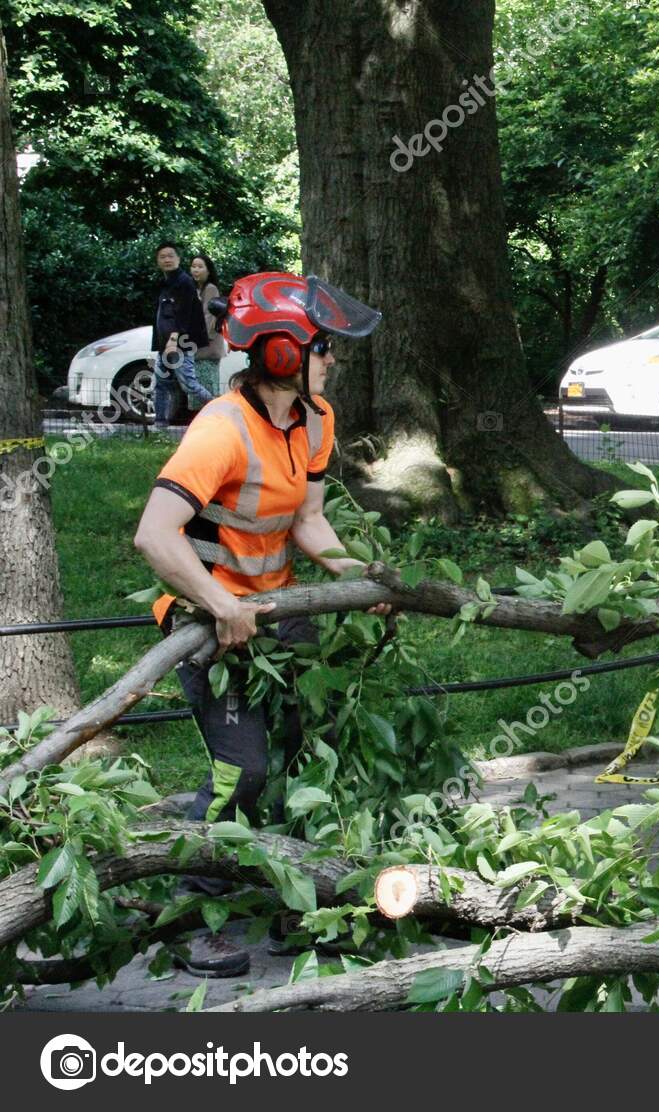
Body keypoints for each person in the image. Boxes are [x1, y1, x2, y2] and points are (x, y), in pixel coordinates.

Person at [133, 271, 385, 977]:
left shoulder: (315, 419)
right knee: (239, 771)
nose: (333, 358)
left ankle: (304, 901)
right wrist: (220, 604)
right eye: (323, 347)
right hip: (211, 624)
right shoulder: (222, 428)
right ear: (280, 354)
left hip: (280, 612)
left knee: (313, 754)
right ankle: (187, 913)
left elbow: (308, 519)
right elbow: (156, 535)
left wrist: (363, 577)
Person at [151, 242, 215, 427]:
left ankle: (220, 410)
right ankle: (160, 424)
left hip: (180, 343)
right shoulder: (166, 283)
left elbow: (183, 315)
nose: (167, 259)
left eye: (171, 255)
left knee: (189, 384)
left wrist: (173, 341)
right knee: (161, 383)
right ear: (158, 261)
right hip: (165, 344)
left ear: (178, 259)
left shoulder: (184, 282)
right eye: (163, 257)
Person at [188, 253, 226, 403]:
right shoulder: (195, 289)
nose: (196, 270)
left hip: (206, 347)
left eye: (200, 267)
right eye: (193, 266)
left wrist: (199, 340)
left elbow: (209, 317)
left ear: (208, 271)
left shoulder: (210, 289)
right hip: (199, 347)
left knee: (205, 388)